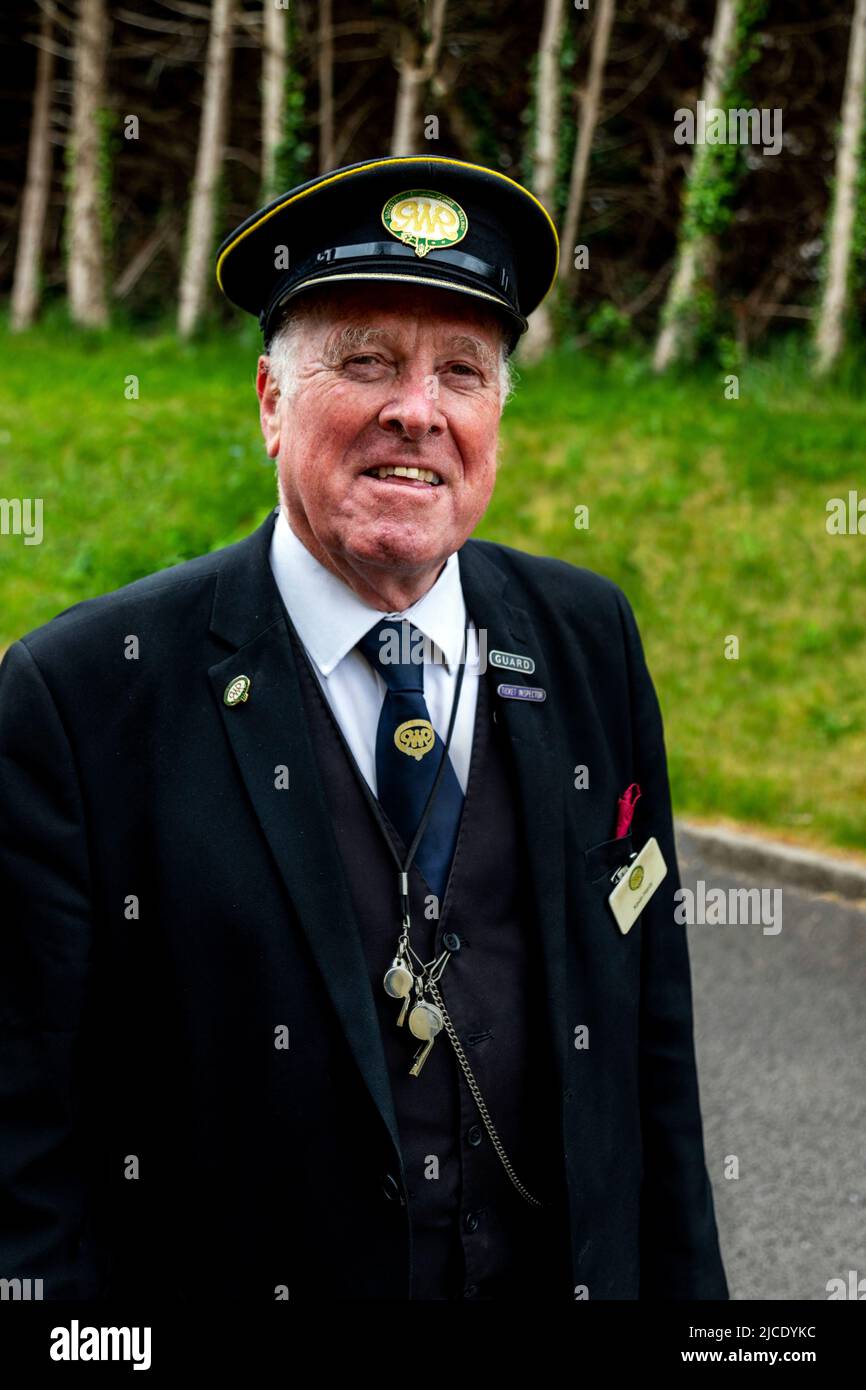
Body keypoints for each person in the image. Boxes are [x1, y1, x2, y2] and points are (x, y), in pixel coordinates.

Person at [0, 156, 728, 1301]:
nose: (417, 409)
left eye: (461, 371)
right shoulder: (82, 695)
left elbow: (651, 1057)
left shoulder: (588, 640)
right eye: (367, 361)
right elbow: (23, 1147)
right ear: (268, 402)